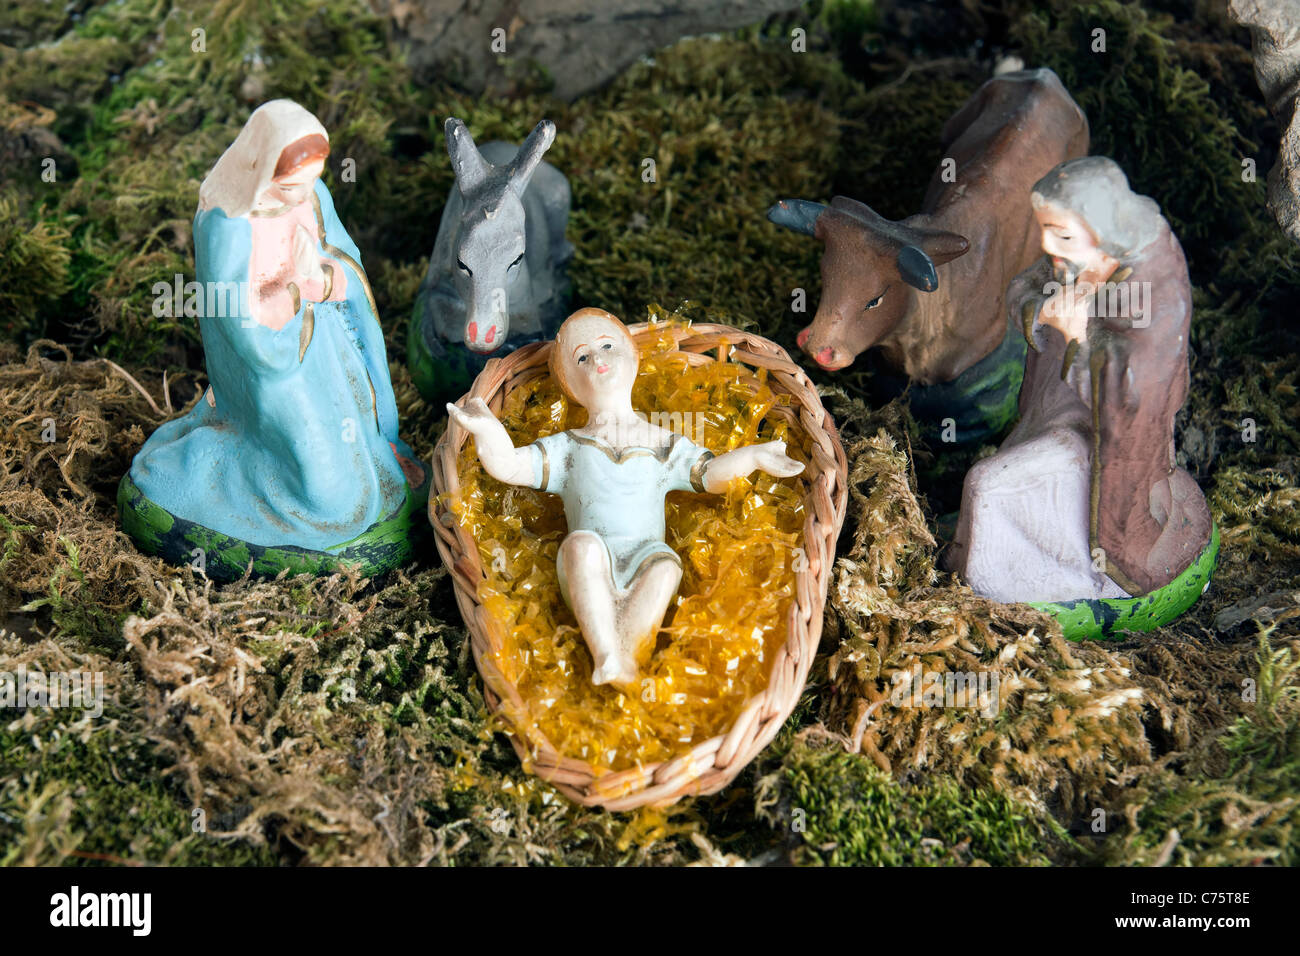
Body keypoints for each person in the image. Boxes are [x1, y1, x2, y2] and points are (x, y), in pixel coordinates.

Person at [125, 100, 424, 574]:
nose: (301, 195)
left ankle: (371, 462)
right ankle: (207, 467)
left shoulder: (310, 194)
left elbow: (343, 256)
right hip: (272, 367)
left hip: (326, 343)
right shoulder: (228, 222)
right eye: (289, 186)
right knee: (329, 499)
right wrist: (291, 294)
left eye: (311, 181)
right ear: (259, 167)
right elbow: (234, 314)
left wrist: (326, 283)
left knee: (361, 441)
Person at [448, 307, 804, 687]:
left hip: (647, 553)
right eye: (581, 356)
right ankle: (605, 655)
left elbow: (709, 475)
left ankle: (629, 658)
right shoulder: (568, 448)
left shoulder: (661, 442)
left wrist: (752, 456)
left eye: (606, 346)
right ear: (569, 382)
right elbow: (511, 466)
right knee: (580, 547)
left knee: (666, 569)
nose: (597, 359)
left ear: (633, 359)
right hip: (588, 562)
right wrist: (488, 431)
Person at [947, 157, 1211, 602]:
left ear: (1103, 227)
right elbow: (1022, 287)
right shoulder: (1070, 258)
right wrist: (1042, 311)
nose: (1048, 243)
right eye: (1045, 229)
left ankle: (1053, 577)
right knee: (1001, 473)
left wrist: (1080, 336)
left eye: (1062, 233)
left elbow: (1143, 378)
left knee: (987, 484)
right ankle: (1019, 562)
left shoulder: (1154, 283)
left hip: (1106, 435)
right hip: (1055, 405)